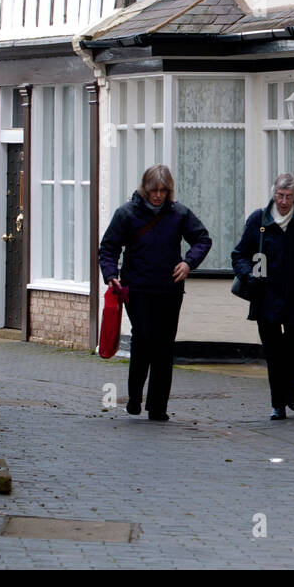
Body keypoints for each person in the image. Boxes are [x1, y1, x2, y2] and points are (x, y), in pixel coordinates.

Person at [99, 165, 211, 422]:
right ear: (145, 189)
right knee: (143, 339)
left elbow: (202, 239)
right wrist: (110, 274)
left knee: (164, 346)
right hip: (136, 288)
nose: (158, 195)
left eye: (163, 190)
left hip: (169, 288)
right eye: (154, 190)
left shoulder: (179, 214)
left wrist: (188, 263)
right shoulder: (126, 214)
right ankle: (135, 397)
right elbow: (108, 247)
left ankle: (158, 406)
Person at [231, 173, 294, 420]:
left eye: (289, 197)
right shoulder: (258, 220)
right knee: (273, 351)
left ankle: (291, 387)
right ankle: (278, 403)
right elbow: (239, 254)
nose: (283, 201)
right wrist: (248, 275)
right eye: (279, 195)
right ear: (273, 194)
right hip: (266, 295)